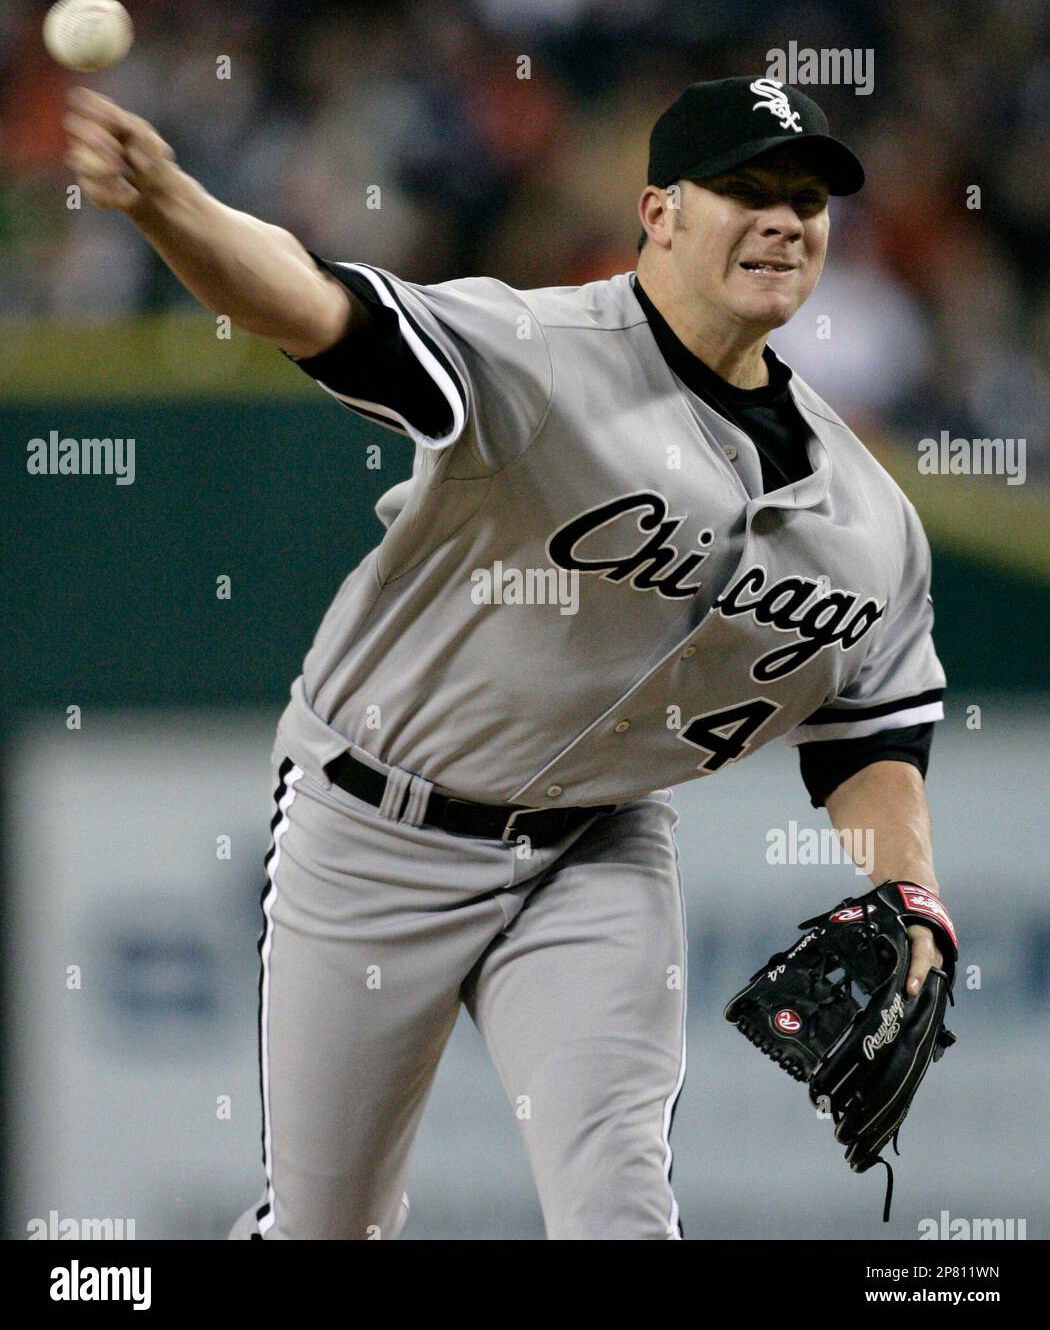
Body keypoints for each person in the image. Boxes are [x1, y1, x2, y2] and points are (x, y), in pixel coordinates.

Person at [63, 75, 947, 1240]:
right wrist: (171, 204)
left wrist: (910, 891)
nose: (783, 219)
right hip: (376, 828)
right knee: (328, 1228)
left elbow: (870, 733)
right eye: (745, 190)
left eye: (807, 200)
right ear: (660, 212)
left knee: (622, 1216)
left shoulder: (869, 517)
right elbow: (315, 307)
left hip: (599, 846)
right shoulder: (539, 351)